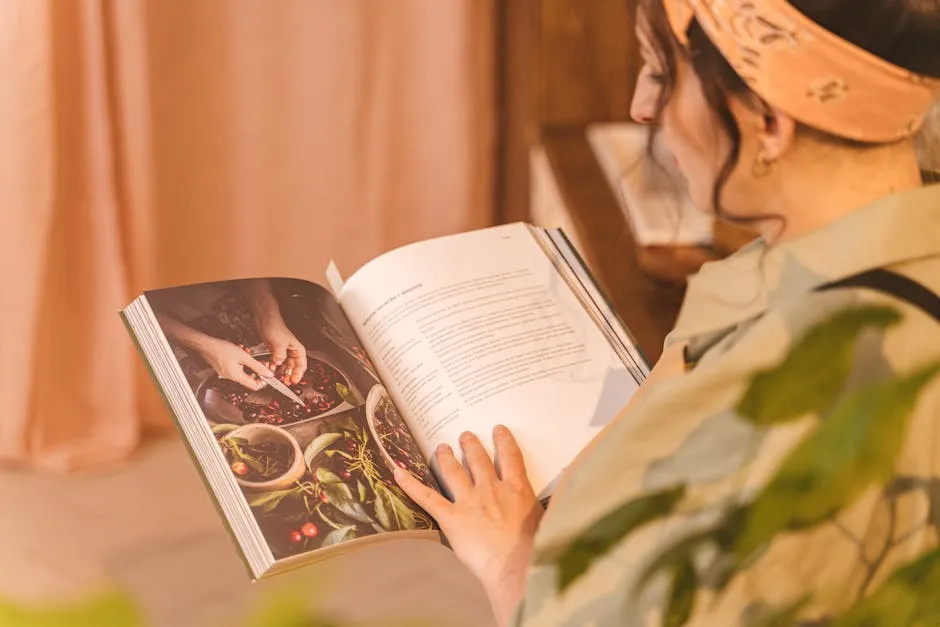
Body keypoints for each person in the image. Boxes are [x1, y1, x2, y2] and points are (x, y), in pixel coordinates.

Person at [392, 0, 940, 624]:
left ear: (768, 119)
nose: (641, 108)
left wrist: (510, 563)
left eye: (659, 72)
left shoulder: (785, 404)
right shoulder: (835, 261)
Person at [154, 279, 308, 391]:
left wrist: (268, 315)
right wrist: (203, 345)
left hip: (228, 297)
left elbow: (250, 261)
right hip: (162, 320)